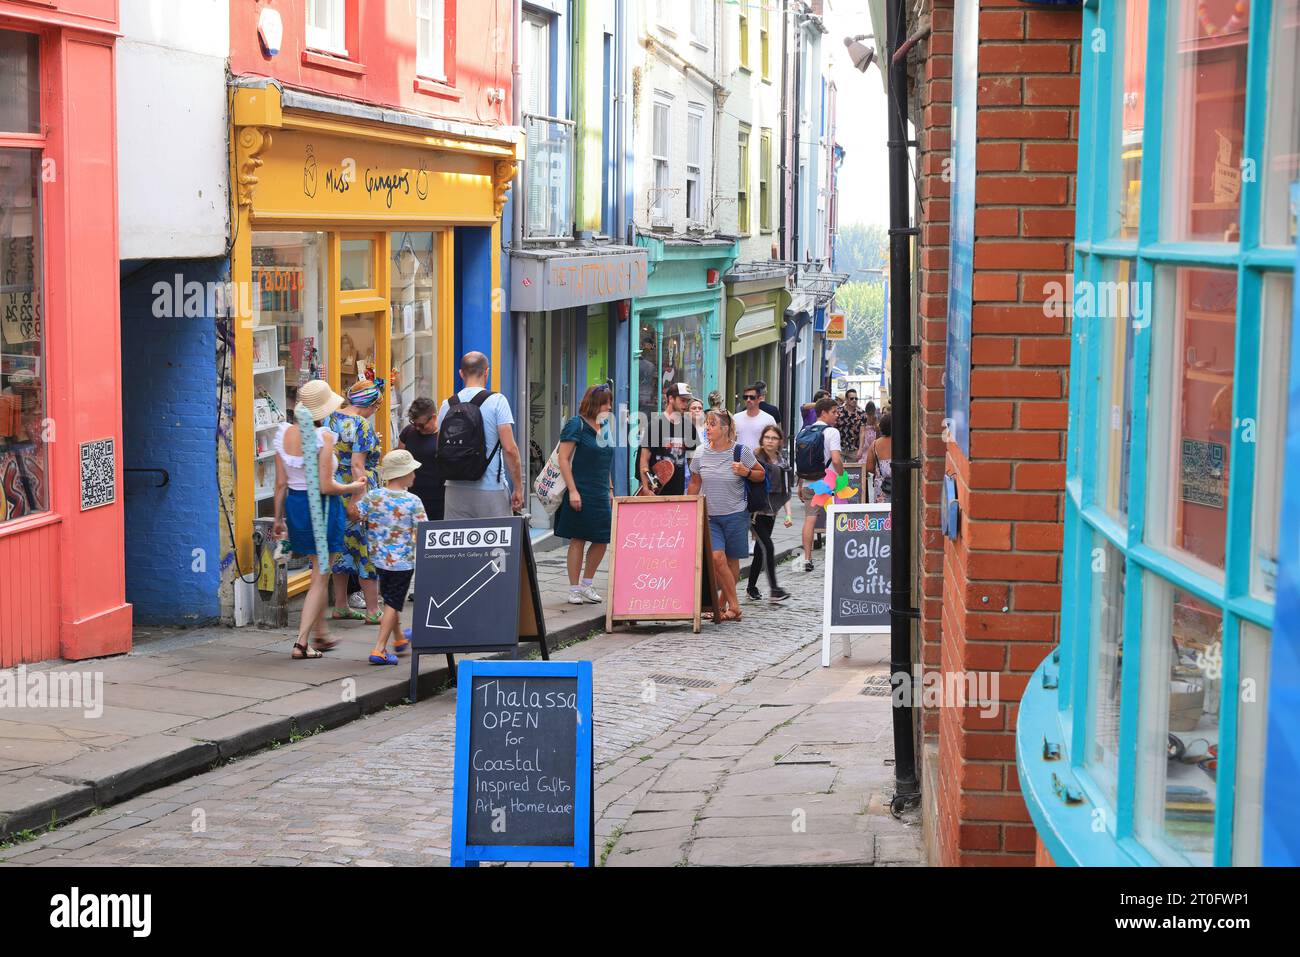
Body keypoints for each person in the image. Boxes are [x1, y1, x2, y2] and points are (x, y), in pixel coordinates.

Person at [271, 380, 367, 659]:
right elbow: (326, 486)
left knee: (316, 572)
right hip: (323, 508)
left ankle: (321, 633)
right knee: (319, 576)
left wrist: (278, 520)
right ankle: (301, 643)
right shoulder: (323, 438)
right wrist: (354, 487)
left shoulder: (283, 435)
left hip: (296, 506)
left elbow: (280, 484)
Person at [688, 409, 765, 622]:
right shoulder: (700, 453)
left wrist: (745, 472)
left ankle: (721, 605)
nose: (707, 428)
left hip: (736, 514)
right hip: (710, 516)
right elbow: (694, 482)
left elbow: (761, 474)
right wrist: (687, 508)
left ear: (725, 429)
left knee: (731, 562)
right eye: (707, 424)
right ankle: (735, 605)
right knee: (716, 558)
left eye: (712, 424)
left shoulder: (741, 452)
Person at [356, 449, 427, 666]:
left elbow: (357, 513)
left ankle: (399, 638)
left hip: (378, 559)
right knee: (393, 603)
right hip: (402, 562)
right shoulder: (413, 501)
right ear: (403, 474)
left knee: (390, 599)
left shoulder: (373, 496)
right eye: (412, 471)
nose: (415, 475)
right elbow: (424, 530)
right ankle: (379, 649)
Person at [436, 351, 523, 518]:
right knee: (496, 542)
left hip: (454, 488)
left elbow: (440, 446)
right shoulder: (497, 401)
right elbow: (510, 449)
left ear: (461, 373)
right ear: (486, 372)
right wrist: (518, 487)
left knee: (458, 542)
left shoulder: (447, 404)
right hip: (490, 488)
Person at [327, 379, 384, 624]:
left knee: (340, 547)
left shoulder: (332, 417)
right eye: (376, 407)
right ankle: (372, 610)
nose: (375, 412)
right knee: (365, 549)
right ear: (369, 403)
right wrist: (357, 500)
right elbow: (358, 464)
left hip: (335, 486)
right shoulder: (361, 424)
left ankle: (340, 604)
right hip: (356, 489)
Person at [555, 385, 616, 604]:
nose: (608, 406)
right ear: (592, 403)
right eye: (604, 402)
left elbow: (606, 461)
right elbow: (563, 458)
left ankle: (587, 584)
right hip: (580, 489)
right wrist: (572, 491)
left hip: (600, 491)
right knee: (578, 538)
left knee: (601, 539)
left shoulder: (606, 425)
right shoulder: (576, 424)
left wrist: (609, 489)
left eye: (609, 402)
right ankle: (573, 589)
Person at [746, 424, 793, 603]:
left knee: (760, 550)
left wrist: (788, 514)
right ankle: (774, 589)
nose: (770, 441)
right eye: (767, 437)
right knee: (768, 546)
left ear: (779, 441)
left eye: (773, 438)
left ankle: (751, 588)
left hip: (771, 512)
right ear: (762, 439)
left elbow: (786, 492)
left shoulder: (782, 462)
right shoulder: (754, 458)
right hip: (756, 512)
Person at [798, 396, 844, 572]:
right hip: (827, 482)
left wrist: (801, 484)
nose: (837, 415)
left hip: (809, 482)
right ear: (823, 413)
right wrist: (841, 474)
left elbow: (802, 462)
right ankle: (839, 557)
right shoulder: (832, 432)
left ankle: (807, 559)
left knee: (809, 521)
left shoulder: (805, 431)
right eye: (834, 412)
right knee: (836, 519)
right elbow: (836, 459)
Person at [639, 382, 698, 496]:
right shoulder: (655, 425)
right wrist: (646, 488)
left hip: (678, 493)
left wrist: (693, 491)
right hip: (656, 492)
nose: (685, 404)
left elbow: (692, 463)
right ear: (671, 398)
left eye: (687, 401)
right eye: (682, 400)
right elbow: (644, 459)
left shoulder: (689, 427)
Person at [398, 396, 445, 521]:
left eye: (421, 425)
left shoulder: (443, 436)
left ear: (434, 417)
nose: (418, 428)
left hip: (438, 499)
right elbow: (400, 461)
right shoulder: (408, 432)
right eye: (414, 423)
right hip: (411, 496)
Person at [735, 383, 777, 452]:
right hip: (740, 461)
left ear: (759, 399)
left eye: (752, 397)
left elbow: (775, 441)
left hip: (761, 460)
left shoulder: (769, 419)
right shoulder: (736, 418)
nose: (748, 400)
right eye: (745, 397)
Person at [864, 412, 894, 504]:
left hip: (882, 488)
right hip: (901, 485)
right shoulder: (902, 442)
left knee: (883, 516)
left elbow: (869, 468)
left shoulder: (875, 444)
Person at [837, 389, 869, 463]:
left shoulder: (862, 414)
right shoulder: (838, 411)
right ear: (846, 399)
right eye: (851, 398)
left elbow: (862, 432)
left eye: (856, 398)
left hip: (854, 448)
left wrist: (861, 449)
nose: (854, 400)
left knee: (852, 473)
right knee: (838, 472)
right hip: (839, 447)